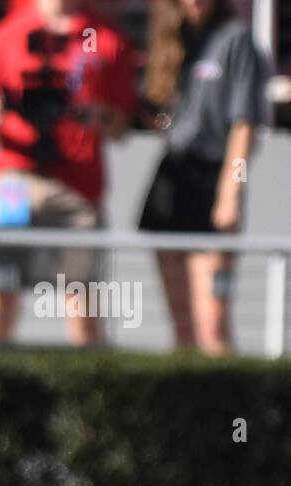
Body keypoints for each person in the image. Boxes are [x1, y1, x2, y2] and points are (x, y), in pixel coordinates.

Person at [0, 0, 136, 346]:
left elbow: (122, 126)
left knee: (83, 298)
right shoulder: (4, 36)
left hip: (78, 186)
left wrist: (94, 116)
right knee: (1, 287)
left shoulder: (107, 38)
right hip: (15, 179)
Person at [138, 0, 265, 355]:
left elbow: (245, 125)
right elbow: (158, 110)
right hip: (173, 180)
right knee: (182, 327)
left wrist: (231, 191)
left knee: (213, 326)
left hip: (215, 179)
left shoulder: (237, 39)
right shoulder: (172, 38)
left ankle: (231, 412)